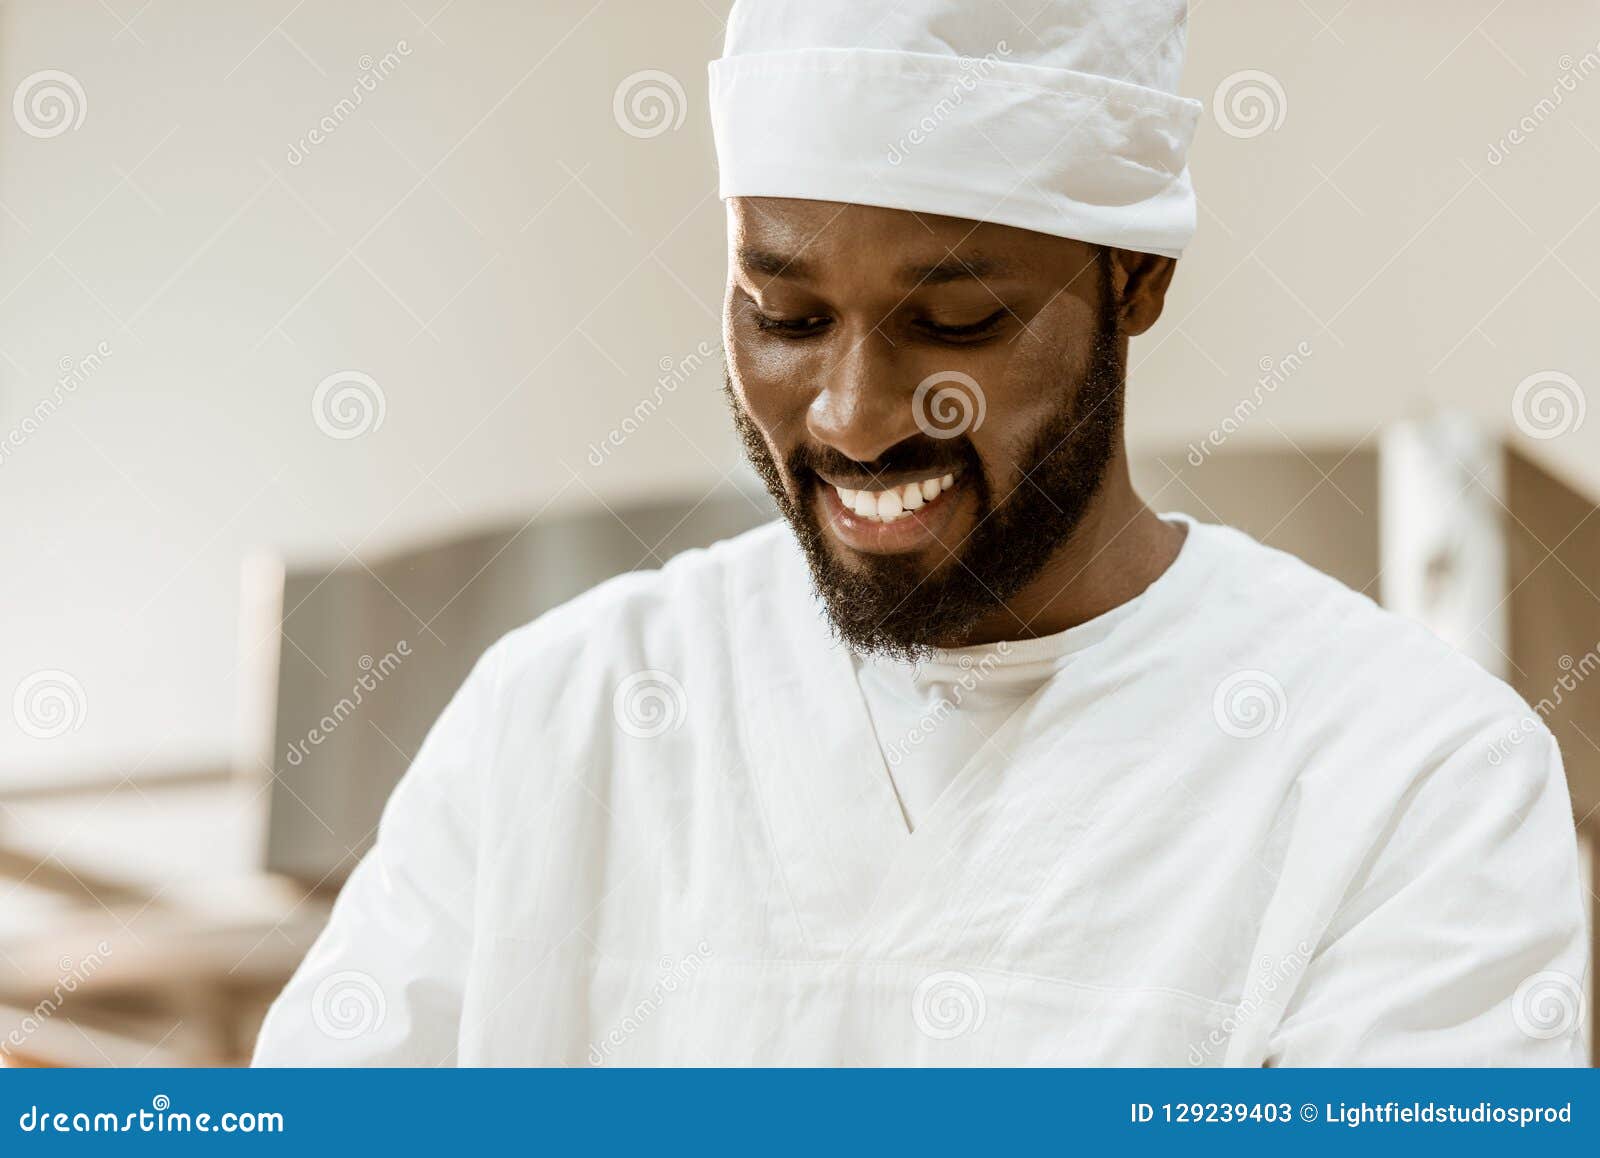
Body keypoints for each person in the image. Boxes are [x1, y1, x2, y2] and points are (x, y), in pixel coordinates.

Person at [253, 0, 1588, 1066]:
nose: (856, 414)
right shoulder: (563, 718)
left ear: (1138, 282)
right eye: (784, 315)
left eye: (958, 323)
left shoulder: (1411, 777)